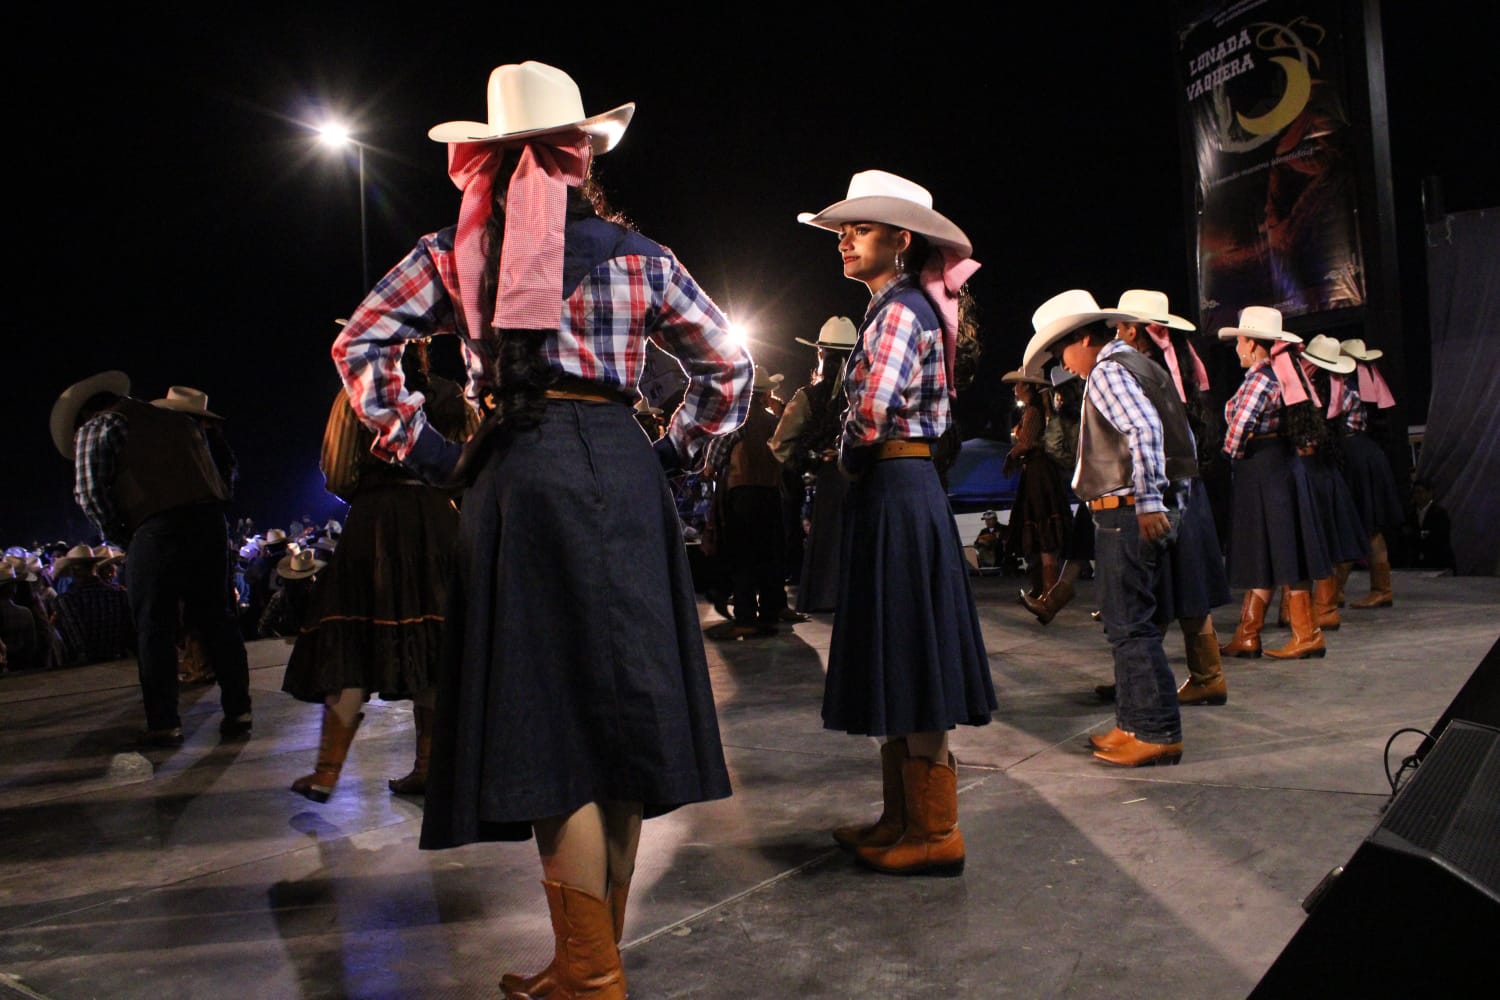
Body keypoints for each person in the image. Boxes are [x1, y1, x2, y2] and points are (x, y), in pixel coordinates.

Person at [328, 63, 752, 999]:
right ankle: (592, 962)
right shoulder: (643, 257)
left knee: (551, 721)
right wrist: (676, 451)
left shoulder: (451, 252)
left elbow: (360, 341)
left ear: (486, 159)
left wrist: (429, 451)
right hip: (622, 465)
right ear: (582, 158)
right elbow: (730, 368)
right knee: (624, 718)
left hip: (519, 472)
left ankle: (588, 972)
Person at [799, 169, 995, 874]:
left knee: (909, 646)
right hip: (903, 487)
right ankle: (904, 818)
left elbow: (874, 410)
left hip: (896, 486)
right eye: (844, 230)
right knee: (900, 647)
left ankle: (936, 832)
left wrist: (848, 454)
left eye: (860, 229)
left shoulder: (899, 310)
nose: (844, 240)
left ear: (901, 239)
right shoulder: (902, 306)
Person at [282, 333, 477, 801]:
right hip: (436, 520)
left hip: (374, 522)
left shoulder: (358, 391)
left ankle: (327, 771)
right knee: (433, 646)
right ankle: (429, 767)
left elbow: (337, 470)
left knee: (351, 639)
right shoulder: (452, 395)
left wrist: (372, 493)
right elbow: (469, 464)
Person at [1023, 289, 1198, 767]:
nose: (1063, 364)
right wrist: (1169, 504)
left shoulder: (1107, 370)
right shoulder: (1140, 365)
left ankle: (1156, 731)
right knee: (1129, 623)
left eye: (1061, 350)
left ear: (1083, 338)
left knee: (1129, 625)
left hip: (1124, 510)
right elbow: (1179, 440)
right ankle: (1133, 723)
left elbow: (1145, 430)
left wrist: (1148, 501)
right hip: (1132, 508)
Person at [53, 374, 252, 745]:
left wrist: (123, 535)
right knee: (218, 619)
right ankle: (239, 711)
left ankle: (164, 722)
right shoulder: (180, 421)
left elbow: (90, 493)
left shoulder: (99, 425)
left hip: (157, 526)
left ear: (84, 414)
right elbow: (223, 474)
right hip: (209, 522)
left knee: (154, 626)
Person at [1100, 290, 1231, 707]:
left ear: (1131, 331)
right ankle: (1205, 676)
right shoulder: (1179, 366)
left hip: (1165, 489)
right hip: (1189, 486)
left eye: (1120, 328)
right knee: (1185, 586)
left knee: (1152, 589)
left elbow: (1145, 433)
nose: (1116, 335)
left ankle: (1144, 679)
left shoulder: (1140, 371)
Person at [1216, 307, 1333, 660]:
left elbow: (1240, 428)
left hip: (1264, 468)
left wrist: (1233, 454)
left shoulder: (1260, 380)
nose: (1237, 349)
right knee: (1268, 550)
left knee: (1282, 550)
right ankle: (1248, 634)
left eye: (1239, 341)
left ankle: (1307, 634)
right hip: (1281, 465)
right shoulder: (1283, 374)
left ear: (1252, 343)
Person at [769, 316, 858, 614]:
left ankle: (827, 596)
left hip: (831, 481)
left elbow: (780, 446)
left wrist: (812, 461)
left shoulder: (807, 397)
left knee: (830, 540)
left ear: (820, 353)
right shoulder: (865, 391)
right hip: (864, 477)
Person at [702, 369, 790, 638]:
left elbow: (713, 463)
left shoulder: (735, 420)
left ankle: (745, 618)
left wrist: (712, 469)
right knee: (769, 556)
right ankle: (769, 616)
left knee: (743, 557)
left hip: (743, 495)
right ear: (764, 395)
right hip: (771, 493)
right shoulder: (776, 422)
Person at [1295, 335, 1371, 630]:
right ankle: (1325, 608)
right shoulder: (1342, 391)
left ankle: (1307, 610)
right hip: (1327, 469)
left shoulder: (1304, 392)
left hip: (1306, 468)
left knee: (1305, 540)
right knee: (1330, 538)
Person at [1337, 338, 1406, 606]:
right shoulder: (1367, 386)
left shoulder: (1347, 389)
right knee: (1371, 527)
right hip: (1367, 453)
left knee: (1354, 523)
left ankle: (1334, 592)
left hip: (1355, 456)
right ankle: (1381, 588)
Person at [1023, 365, 1094, 622]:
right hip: (1110, 483)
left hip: (1093, 485)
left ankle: (1052, 603)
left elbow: (1053, 447)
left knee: (1082, 545)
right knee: (1086, 545)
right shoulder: (1094, 406)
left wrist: (1075, 464)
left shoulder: (1063, 417)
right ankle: (1053, 602)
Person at [1002, 367, 1072, 605]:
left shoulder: (1033, 411)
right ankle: (1042, 585)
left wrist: (1012, 455)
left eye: (1019, 384)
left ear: (1028, 386)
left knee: (1042, 526)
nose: (1015, 388)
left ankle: (1049, 589)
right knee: (1038, 527)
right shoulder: (1037, 410)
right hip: (1039, 472)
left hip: (1038, 473)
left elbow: (1025, 442)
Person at [257, 547, 325, 639]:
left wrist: (278, 641)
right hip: (313, 641)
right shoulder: (320, 595)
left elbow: (264, 626)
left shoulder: (280, 596)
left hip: (287, 641)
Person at [1402, 478, 1453, 571]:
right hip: (1418, 563)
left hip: (1438, 561)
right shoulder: (1411, 515)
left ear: (1430, 493)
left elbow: (1439, 536)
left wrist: (1417, 534)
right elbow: (1407, 535)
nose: (1417, 496)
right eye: (1415, 492)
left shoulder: (1440, 513)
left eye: (1420, 492)